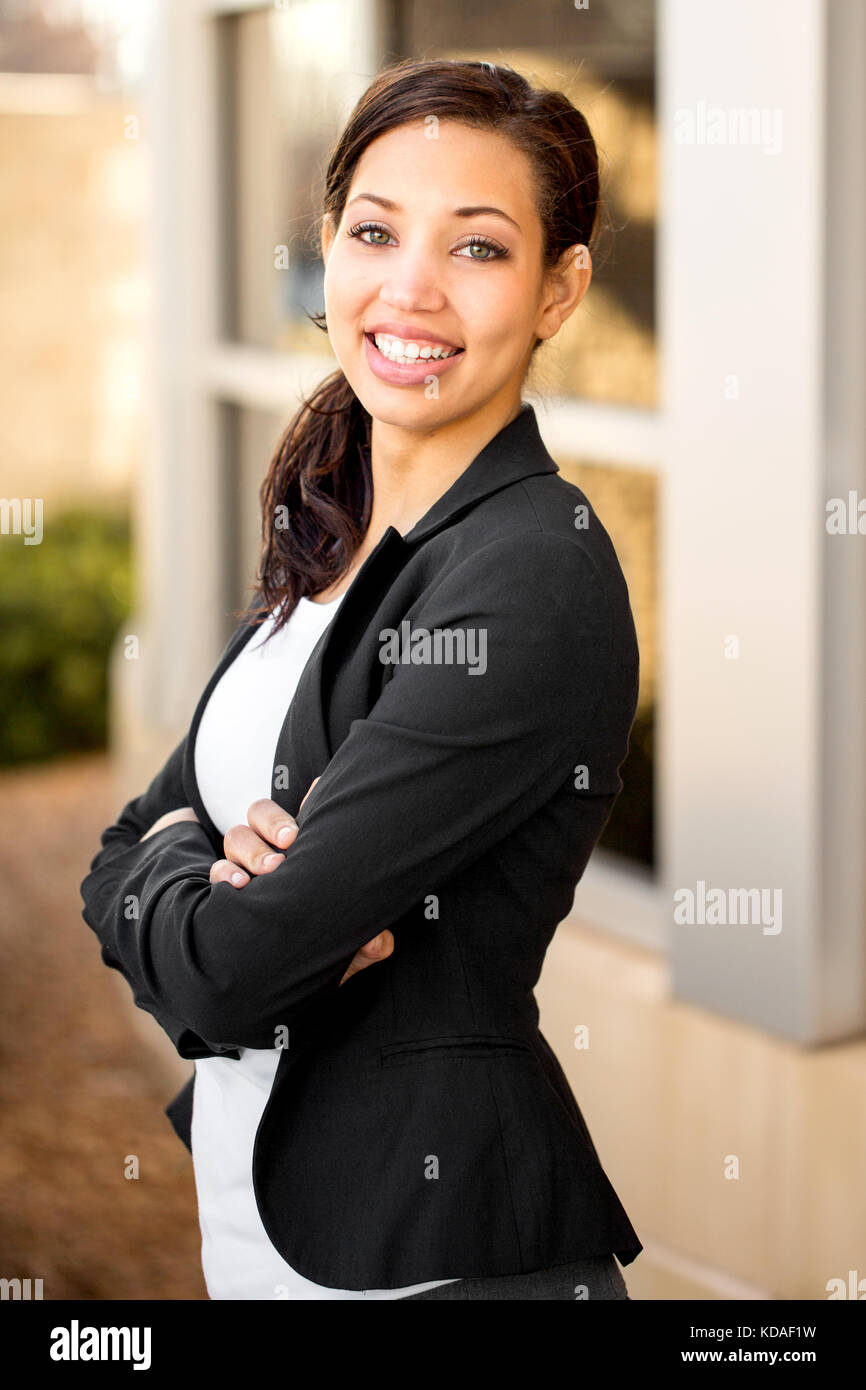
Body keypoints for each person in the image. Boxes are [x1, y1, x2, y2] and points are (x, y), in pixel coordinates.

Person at [81, 57, 642, 1301]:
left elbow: (236, 971)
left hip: (425, 1255)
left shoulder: (529, 575)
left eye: (479, 249)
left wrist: (189, 879)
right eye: (376, 230)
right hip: (268, 1225)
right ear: (327, 243)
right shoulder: (330, 529)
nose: (410, 289)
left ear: (559, 290)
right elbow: (125, 837)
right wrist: (188, 864)